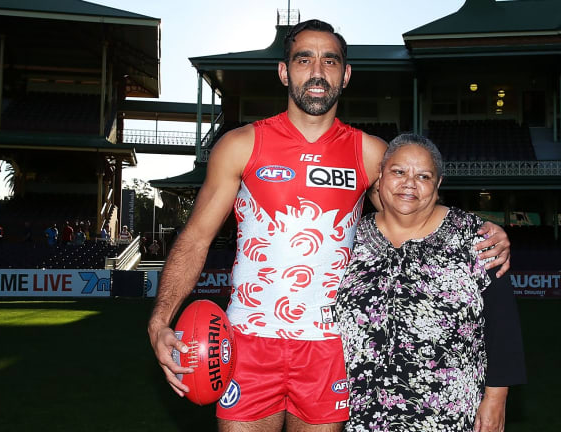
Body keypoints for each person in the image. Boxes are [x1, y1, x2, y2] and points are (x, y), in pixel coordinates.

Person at [147, 20, 511, 432]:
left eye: (330, 61)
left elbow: (417, 214)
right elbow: (196, 237)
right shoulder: (241, 144)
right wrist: (160, 321)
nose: (317, 71)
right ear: (285, 72)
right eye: (304, 59)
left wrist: (483, 230)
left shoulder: (370, 153)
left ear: (346, 74)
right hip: (248, 340)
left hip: (329, 346)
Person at [336, 134, 525, 432]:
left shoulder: (476, 239)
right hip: (359, 412)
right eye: (399, 172)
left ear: (437, 185)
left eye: (423, 176)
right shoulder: (345, 238)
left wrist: (496, 398)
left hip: (447, 414)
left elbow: (502, 325)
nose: (409, 183)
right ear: (380, 176)